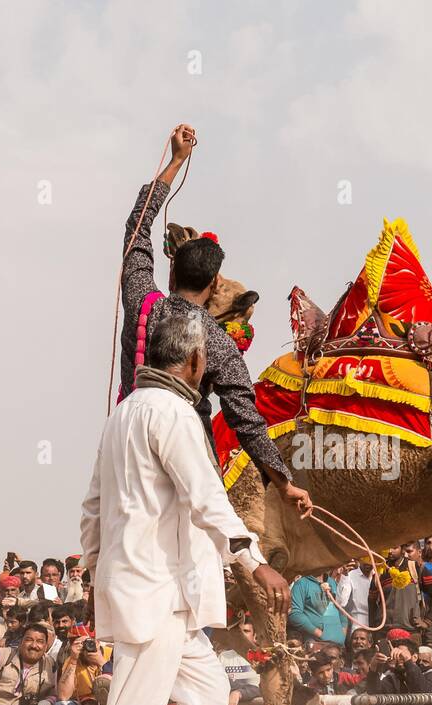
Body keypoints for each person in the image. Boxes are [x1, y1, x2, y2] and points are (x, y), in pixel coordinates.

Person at [81, 311, 291, 705]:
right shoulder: (172, 413)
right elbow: (208, 498)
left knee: (210, 691)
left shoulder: (122, 414)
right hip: (155, 593)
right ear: (196, 362)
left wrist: (96, 570)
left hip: (152, 590)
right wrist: (256, 561)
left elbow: (92, 507)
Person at [116, 122, 310, 516]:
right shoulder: (215, 341)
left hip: (126, 441)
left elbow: (137, 228)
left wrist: (174, 162)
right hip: (186, 457)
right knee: (201, 556)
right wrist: (285, 483)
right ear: (214, 282)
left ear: (174, 272)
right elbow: (246, 419)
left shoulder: (140, 299)